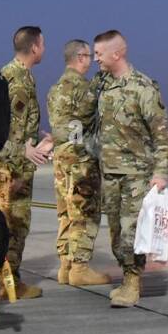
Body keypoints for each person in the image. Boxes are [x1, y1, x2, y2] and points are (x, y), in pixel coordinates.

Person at [93, 30, 168, 308]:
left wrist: (161, 172)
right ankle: (128, 275)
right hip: (110, 172)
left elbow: (162, 134)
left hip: (137, 174)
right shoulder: (102, 84)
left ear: (117, 54)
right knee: (115, 233)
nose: (95, 59)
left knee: (130, 232)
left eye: (99, 54)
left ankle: (132, 281)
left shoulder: (144, 88)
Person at [0, 26, 52, 301]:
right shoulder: (17, 80)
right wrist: (27, 152)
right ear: (35, 47)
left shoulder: (17, 75)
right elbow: (8, 131)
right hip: (11, 167)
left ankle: (6, 280)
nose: (44, 48)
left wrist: (36, 139)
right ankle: (6, 283)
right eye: (43, 43)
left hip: (14, 163)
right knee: (12, 224)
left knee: (13, 224)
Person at [47, 40, 108, 287]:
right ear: (81, 57)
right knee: (86, 212)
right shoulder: (86, 89)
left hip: (61, 159)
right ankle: (80, 267)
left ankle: (65, 265)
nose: (92, 60)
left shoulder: (54, 90)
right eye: (89, 56)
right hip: (81, 159)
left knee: (66, 212)